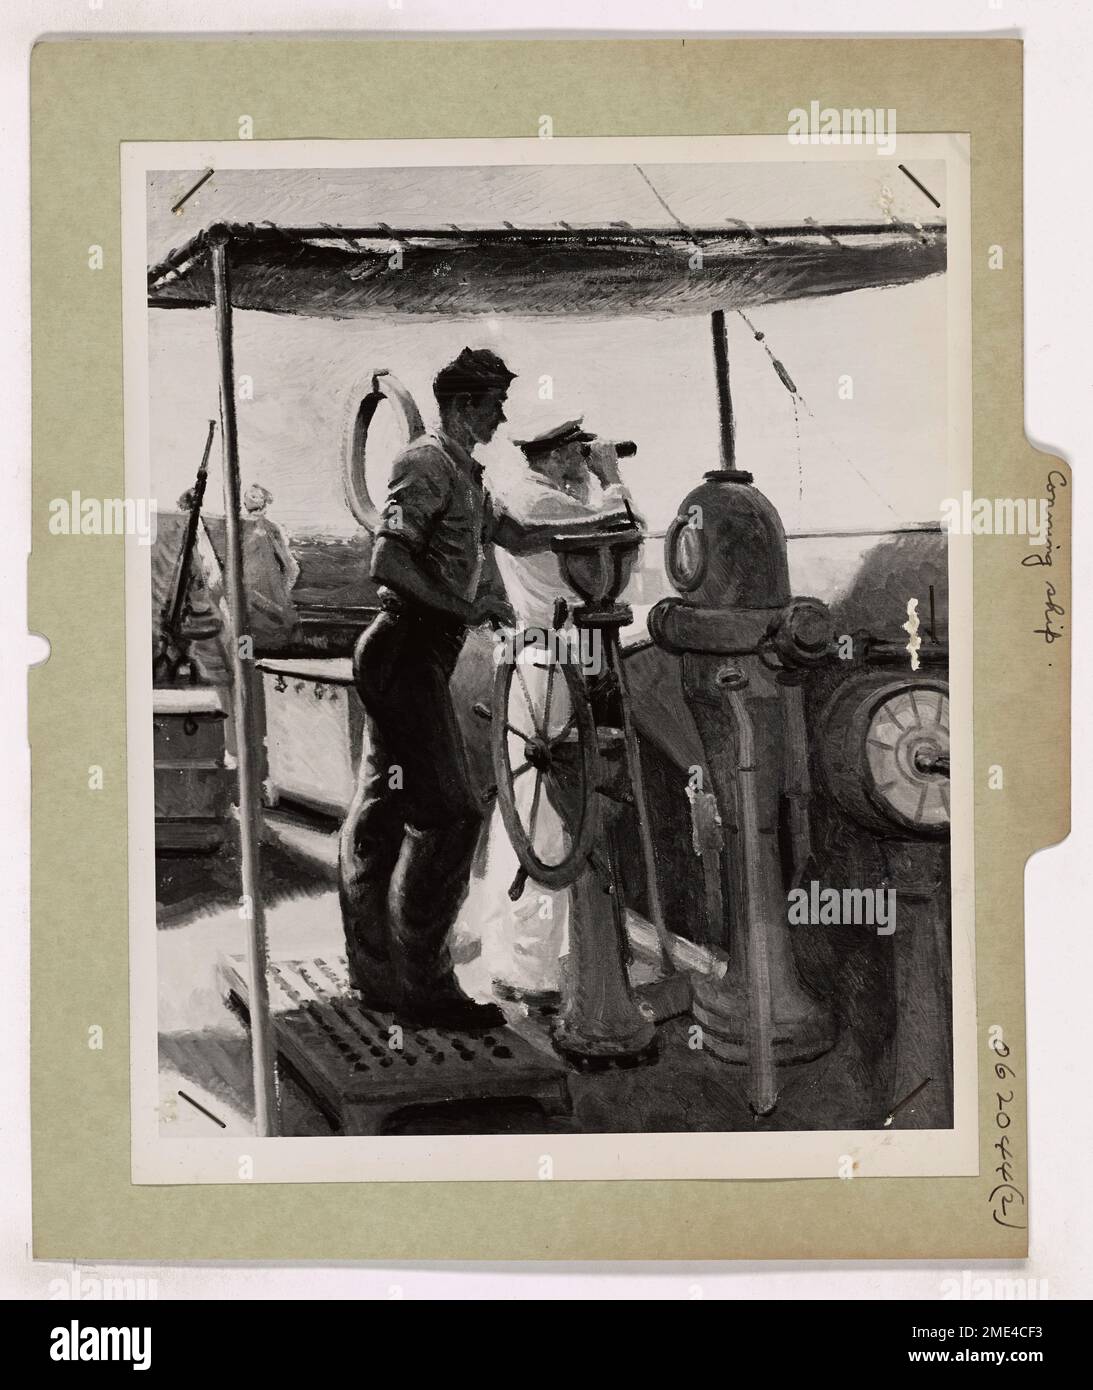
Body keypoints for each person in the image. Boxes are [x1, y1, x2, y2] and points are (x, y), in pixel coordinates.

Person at [475, 418, 637, 1007]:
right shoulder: (546, 502)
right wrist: (612, 479)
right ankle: (537, 971)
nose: (584, 457)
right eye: (576, 450)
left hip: (537, 658)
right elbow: (626, 541)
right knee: (550, 812)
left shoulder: (528, 498)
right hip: (558, 662)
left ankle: (528, 960)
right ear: (554, 454)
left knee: (530, 807)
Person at [240, 483, 301, 649]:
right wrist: (281, 592)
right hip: (264, 606)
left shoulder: (237, 528)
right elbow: (291, 568)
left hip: (249, 601)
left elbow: (291, 568)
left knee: (247, 649)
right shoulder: (268, 528)